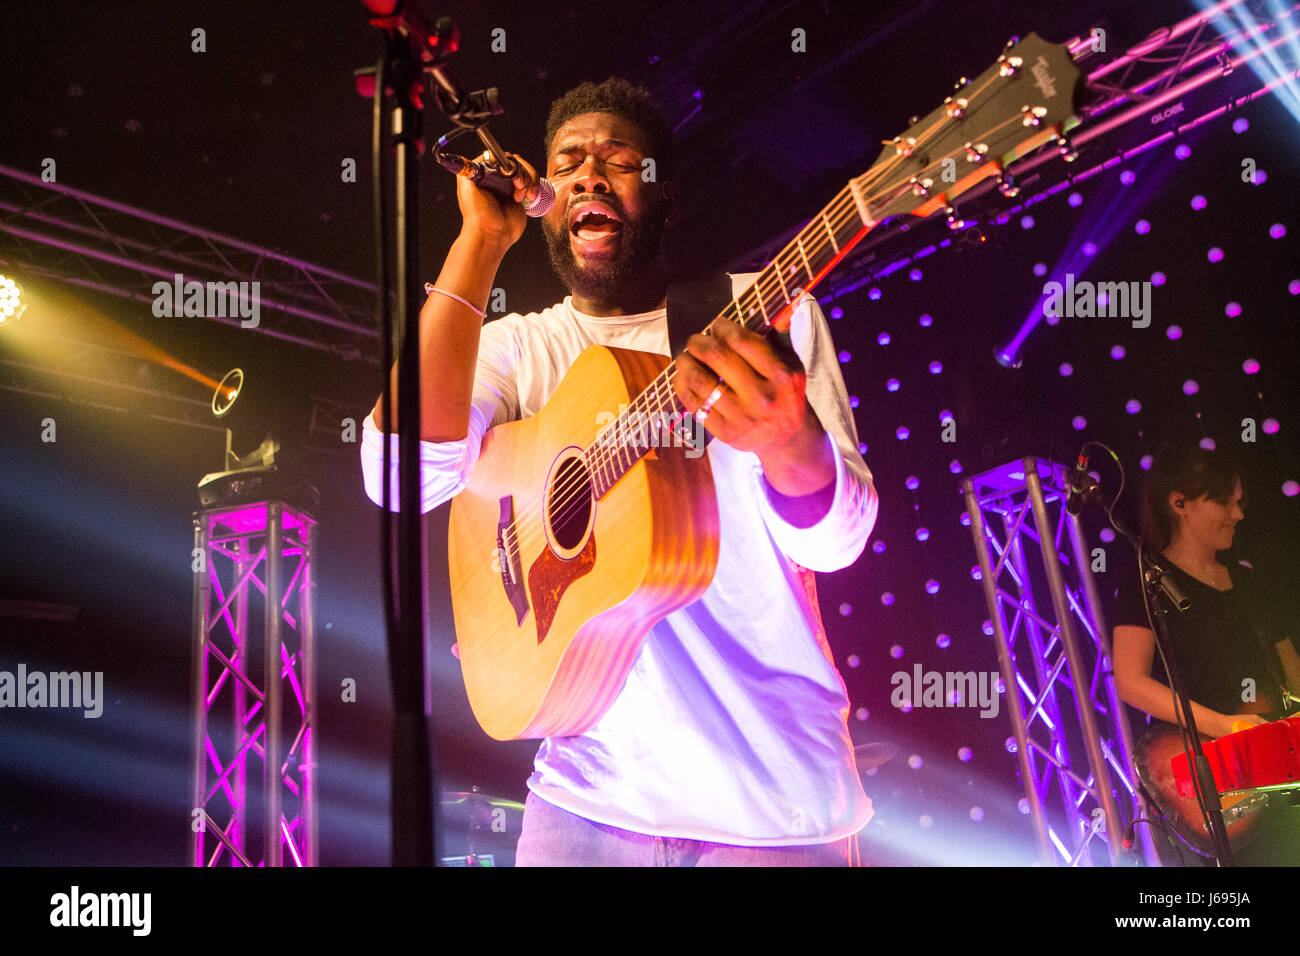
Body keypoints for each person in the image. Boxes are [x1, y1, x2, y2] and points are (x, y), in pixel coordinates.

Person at [360, 78, 878, 865]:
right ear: (545, 197)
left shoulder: (763, 314)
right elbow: (396, 477)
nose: (589, 175)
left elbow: (835, 545)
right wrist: (478, 245)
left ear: (666, 199)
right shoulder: (513, 348)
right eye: (567, 162)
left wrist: (784, 441)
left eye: (620, 161)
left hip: (776, 806)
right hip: (583, 800)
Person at [1111, 442, 1300, 863]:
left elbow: (1294, 679)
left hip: (1280, 770)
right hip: (1211, 778)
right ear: (1180, 503)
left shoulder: (1251, 584)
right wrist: (1224, 724)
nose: (1239, 514)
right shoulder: (1146, 582)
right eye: (1224, 502)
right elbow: (1130, 681)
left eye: (1239, 502)